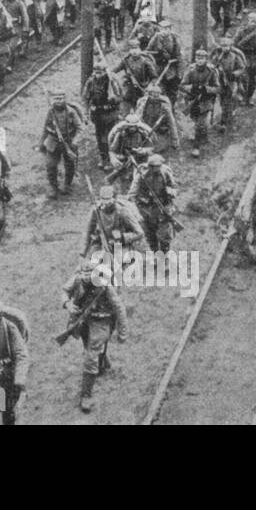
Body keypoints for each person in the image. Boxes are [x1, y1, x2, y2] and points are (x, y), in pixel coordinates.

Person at [60, 257, 127, 413]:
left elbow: (120, 308)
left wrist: (122, 333)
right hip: (83, 320)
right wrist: (68, 305)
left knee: (91, 355)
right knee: (89, 345)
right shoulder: (77, 279)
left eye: (89, 274)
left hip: (102, 321)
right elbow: (65, 291)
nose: (85, 277)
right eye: (83, 273)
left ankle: (86, 395)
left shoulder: (105, 286)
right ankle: (103, 363)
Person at [127, 153, 178, 251]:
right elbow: (132, 193)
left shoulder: (165, 172)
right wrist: (135, 208)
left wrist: (171, 192)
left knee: (165, 237)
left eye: (159, 166)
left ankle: (163, 257)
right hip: (147, 209)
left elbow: (174, 187)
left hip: (163, 208)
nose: (157, 168)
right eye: (155, 166)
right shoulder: (142, 174)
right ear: (150, 166)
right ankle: (155, 253)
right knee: (150, 235)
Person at [80, 185, 146, 259]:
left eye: (108, 199)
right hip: (102, 242)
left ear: (114, 198)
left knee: (120, 265)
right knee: (91, 264)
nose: (105, 202)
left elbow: (140, 233)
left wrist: (122, 237)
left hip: (120, 244)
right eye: (103, 199)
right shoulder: (96, 210)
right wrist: (83, 252)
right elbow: (88, 230)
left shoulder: (122, 211)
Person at [179, 49, 221, 158]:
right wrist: (192, 88)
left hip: (206, 101)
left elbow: (217, 88)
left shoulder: (211, 71)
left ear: (206, 59)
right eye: (198, 58)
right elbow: (182, 85)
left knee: (199, 124)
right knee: (195, 120)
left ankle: (196, 147)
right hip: (192, 100)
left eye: (202, 58)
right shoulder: (190, 69)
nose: (199, 61)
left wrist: (206, 89)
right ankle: (204, 136)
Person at [40, 91, 82, 196]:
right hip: (53, 141)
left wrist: (74, 141)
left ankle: (67, 185)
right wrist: (41, 143)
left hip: (69, 142)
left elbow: (80, 128)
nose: (58, 101)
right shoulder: (50, 112)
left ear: (65, 99)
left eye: (61, 98)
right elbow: (45, 128)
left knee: (70, 165)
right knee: (50, 165)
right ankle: (53, 187)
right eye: (56, 99)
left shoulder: (71, 112)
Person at [82, 64, 122, 170]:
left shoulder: (112, 81)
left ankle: (111, 159)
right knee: (100, 137)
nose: (97, 74)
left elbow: (119, 97)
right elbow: (86, 98)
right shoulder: (90, 82)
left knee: (109, 137)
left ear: (105, 72)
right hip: (97, 114)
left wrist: (113, 98)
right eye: (96, 72)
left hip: (110, 113)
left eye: (100, 72)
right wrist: (86, 114)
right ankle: (103, 158)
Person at [233, 12, 256, 105]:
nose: (254, 22)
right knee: (244, 79)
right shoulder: (241, 32)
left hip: (255, 59)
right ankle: (243, 97)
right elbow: (235, 45)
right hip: (243, 58)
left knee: (253, 80)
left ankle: (249, 97)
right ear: (247, 21)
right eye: (251, 20)